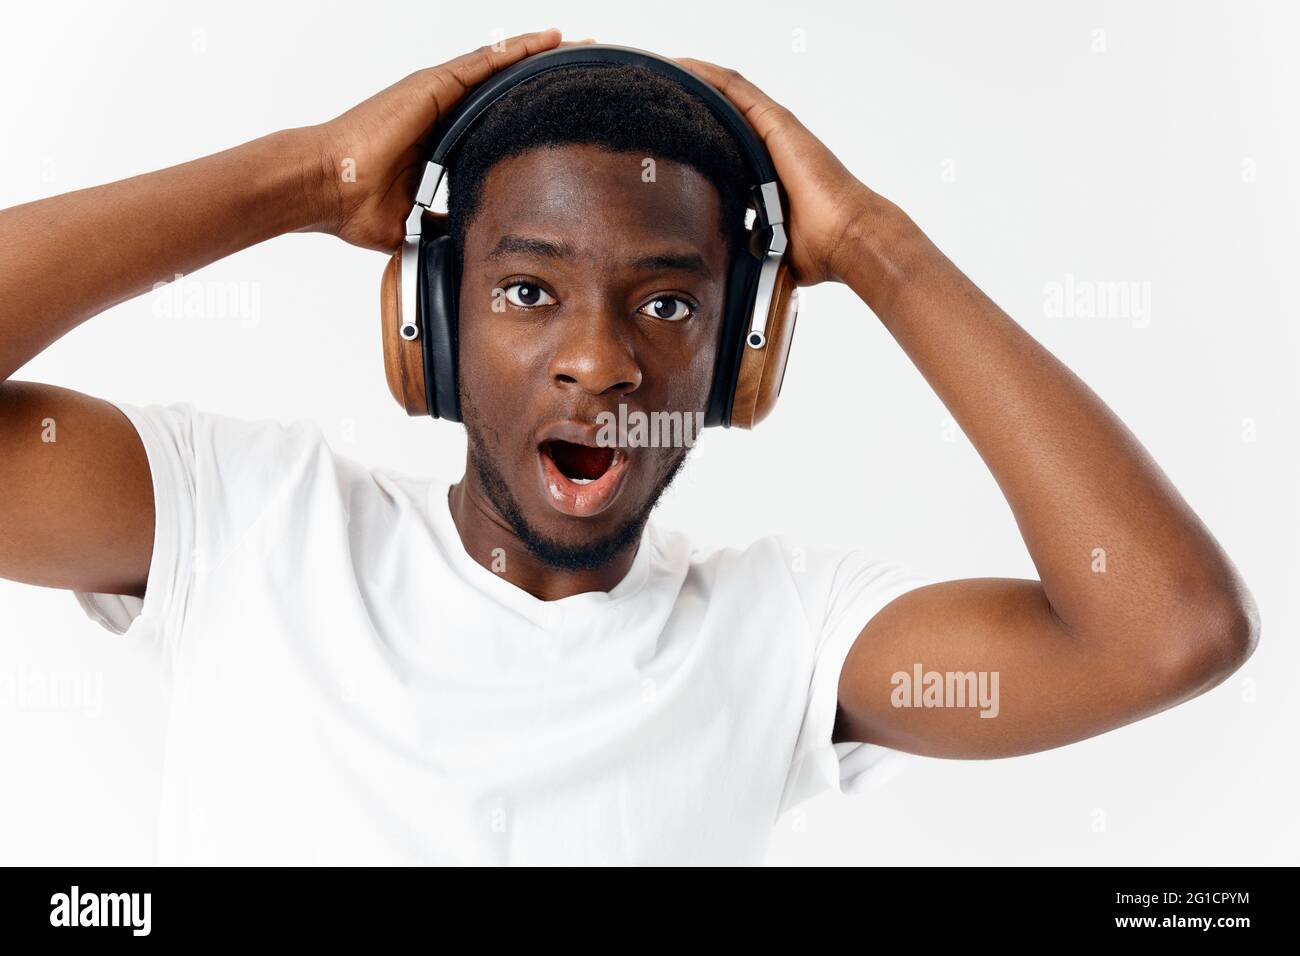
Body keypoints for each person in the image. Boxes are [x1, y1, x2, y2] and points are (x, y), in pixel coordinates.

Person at [0, 29, 1258, 865]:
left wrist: (879, 248)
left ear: (740, 361)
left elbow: (1166, 631)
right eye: (527, 291)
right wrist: (312, 177)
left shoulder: (780, 638)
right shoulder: (241, 521)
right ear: (426, 328)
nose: (599, 361)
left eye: (667, 304)